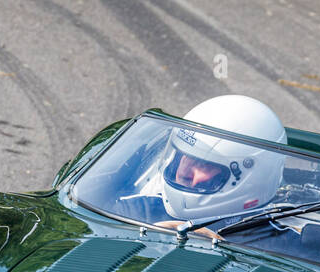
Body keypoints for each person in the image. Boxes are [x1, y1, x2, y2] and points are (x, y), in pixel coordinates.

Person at [112, 95, 287, 238]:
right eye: (184, 158)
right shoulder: (132, 211)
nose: (184, 171)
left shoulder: (281, 245)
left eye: (203, 165)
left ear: (249, 178)